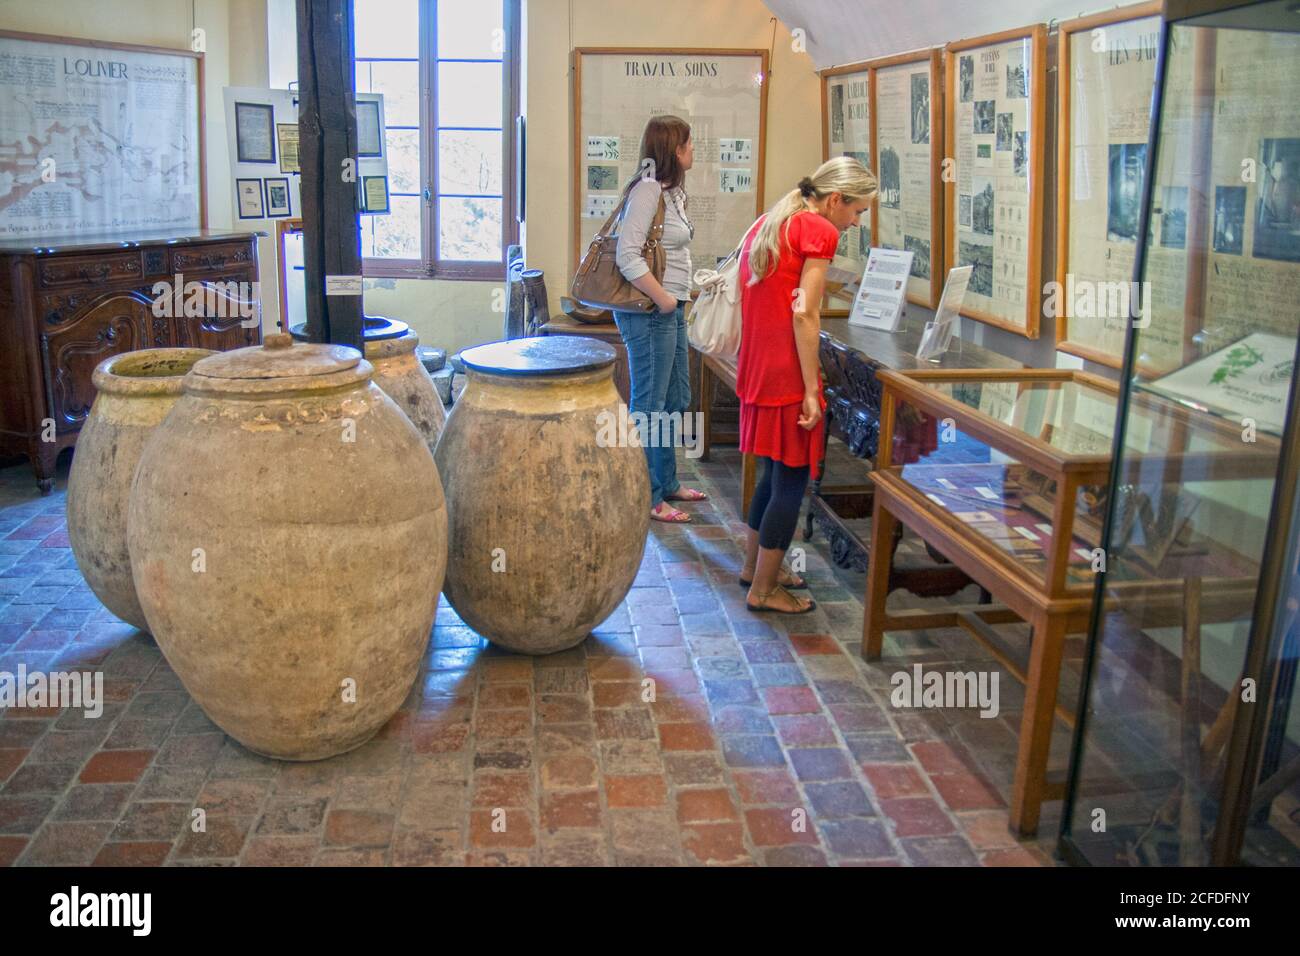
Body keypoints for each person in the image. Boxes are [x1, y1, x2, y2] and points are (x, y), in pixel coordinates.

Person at [737, 157, 878, 614]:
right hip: (787, 371)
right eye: (857, 211)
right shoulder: (818, 230)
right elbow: (805, 314)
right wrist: (812, 390)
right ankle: (764, 590)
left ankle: (755, 568)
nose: (856, 222)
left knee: (773, 474)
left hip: (758, 364)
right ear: (835, 200)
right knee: (792, 481)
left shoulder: (775, 219)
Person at [612, 115, 707, 523]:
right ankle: (648, 496)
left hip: (671, 309)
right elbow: (627, 256)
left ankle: (666, 482)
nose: (693, 149)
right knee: (650, 405)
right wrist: (664, 298)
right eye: (688, 143)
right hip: (651, 312)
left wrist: (676, 300)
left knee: (675, 399)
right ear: (673, 150)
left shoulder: (672, 193)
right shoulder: (648, 190)